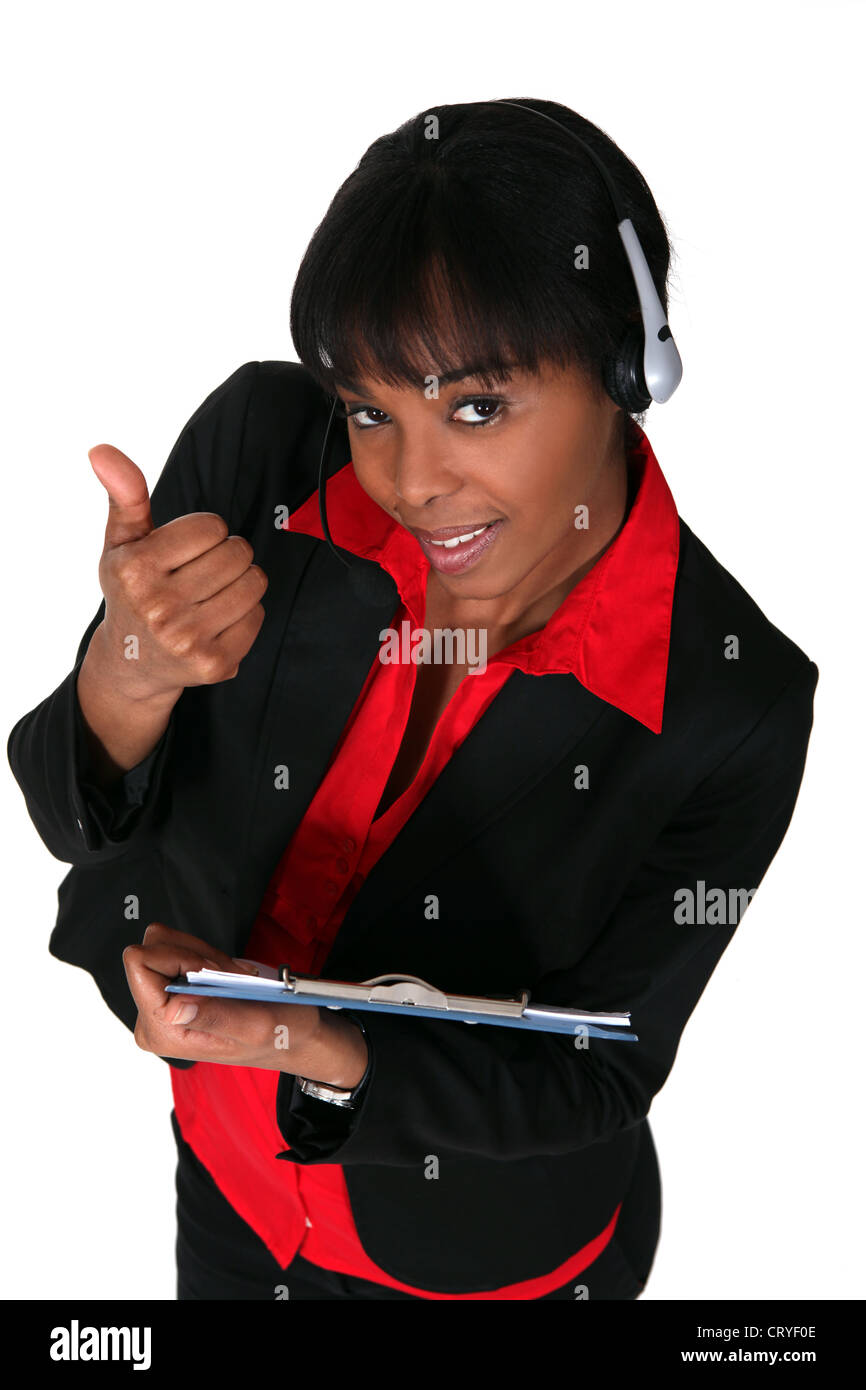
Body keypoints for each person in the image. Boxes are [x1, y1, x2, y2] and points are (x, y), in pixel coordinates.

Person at [7, 97, 818, 1301]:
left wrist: (312, 1045)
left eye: (475, 407)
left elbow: (601, 1069)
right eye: (371, 407)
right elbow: (81, 820)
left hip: (463, 1257)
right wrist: (125, 676)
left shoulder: (731, 700)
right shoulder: (262, 455)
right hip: (231, 1175)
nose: (411, 478)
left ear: (627, 370)